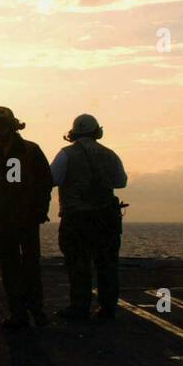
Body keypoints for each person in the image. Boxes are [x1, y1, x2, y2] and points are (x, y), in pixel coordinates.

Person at [0, 107, 53, 329]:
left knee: (29, 266)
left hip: (25, 217)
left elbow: (45, 183)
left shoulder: (30, 150)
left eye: (0, 126)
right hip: (3, 218)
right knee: (10, 267)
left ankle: (35, 311)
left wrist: (40, 209)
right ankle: (19, 313)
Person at [50, 114, 128, 320]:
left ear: (73, 133)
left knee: (77, 264)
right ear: (97, 132)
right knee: (107, 264)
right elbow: (121, 182)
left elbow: (52, 179)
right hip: (105, 218)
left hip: (76, 218)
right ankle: (107, 307)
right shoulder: (110, 154)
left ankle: (79, 307)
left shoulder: (66, 154)